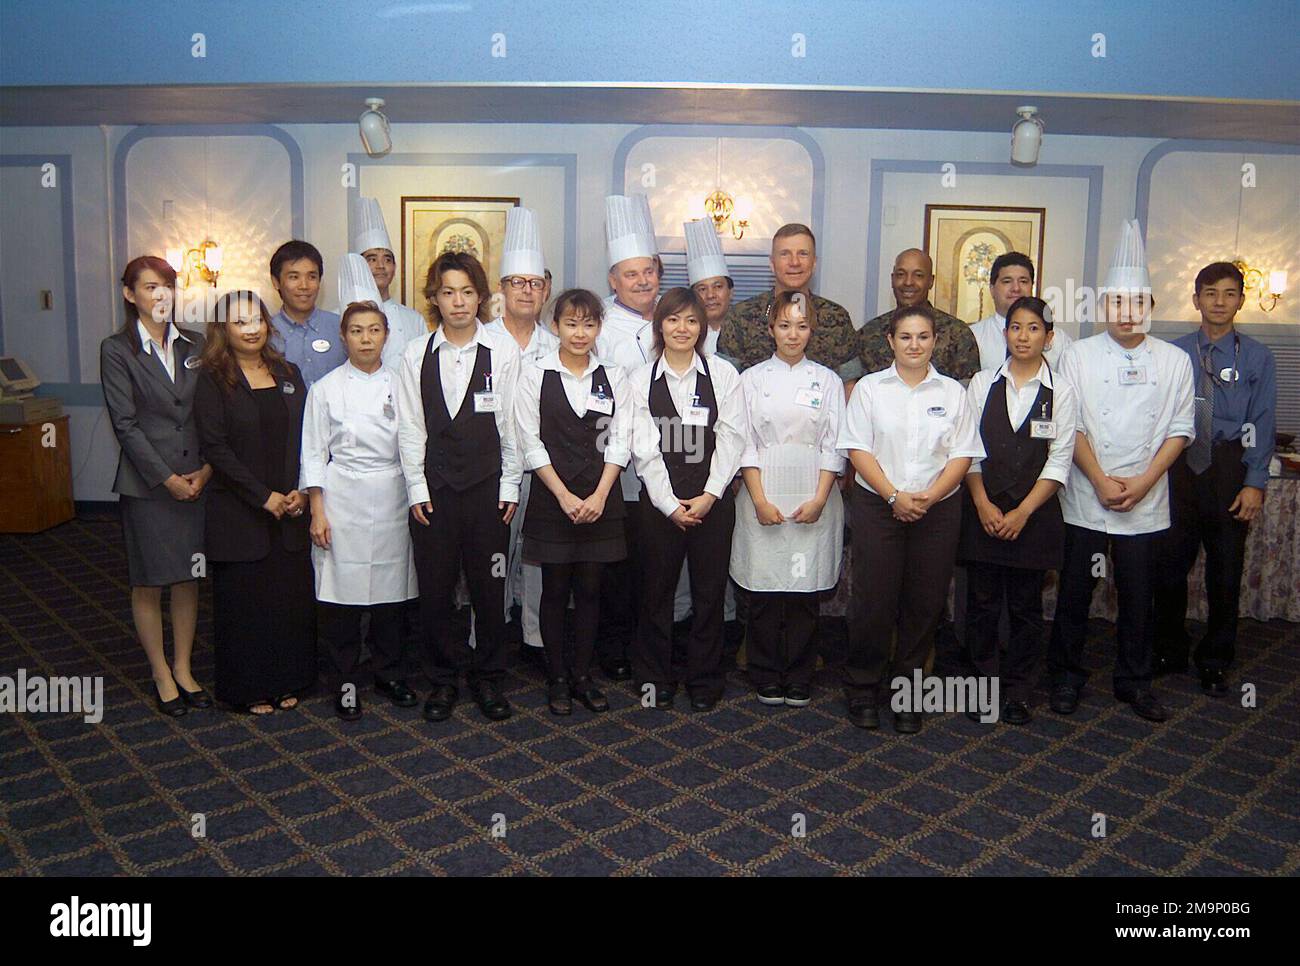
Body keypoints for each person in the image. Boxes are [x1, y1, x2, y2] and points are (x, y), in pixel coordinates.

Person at [1049, 219, 1194, 723]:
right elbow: (1071, 428)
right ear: (1102, 307)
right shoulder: (1079, 356)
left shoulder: (1175, 361)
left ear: (1150, 307)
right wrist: (1100, 480)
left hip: (1145, 499)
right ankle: (1065, 678)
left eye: (1136, 303)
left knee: (1138, 597)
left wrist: (1144, 481)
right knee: (1074, 593)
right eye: (1115, 302)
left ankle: (1134, 681)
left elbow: (1179, 428)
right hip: (1087, 497)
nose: (1126, 312)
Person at [837, 304, 983, 733]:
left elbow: (962, 454)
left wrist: (929, 497)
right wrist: (895, 496)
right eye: (905, 337)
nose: (914, 345)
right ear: (890, 342)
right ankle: (863, 689)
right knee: (873, 601)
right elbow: (857, 449)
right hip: (879, 506)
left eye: (922, 337)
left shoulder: (953, 393)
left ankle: (908, 695)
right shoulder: (869, 389)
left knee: (924, 604)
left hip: (937, 510)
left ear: (934, 341)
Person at [396, 251, 522, 723]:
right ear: (434, 298)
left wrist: (510, 485)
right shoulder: (415, 354)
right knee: (436, 589)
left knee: (490, 587)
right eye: (448, 292)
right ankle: (443, 679)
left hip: (489, 491)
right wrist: (416, 488)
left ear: (482, 298)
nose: (458, 301)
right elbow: (410, 427)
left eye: (467, 292)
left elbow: (514, 426)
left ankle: (489, 678)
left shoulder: (504, 352)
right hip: (436, 492)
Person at [1153, 261, 1276, 696]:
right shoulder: (1171, 352)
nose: (1219, 302)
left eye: (1228, 293)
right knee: (1168, 566)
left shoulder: (1258, 356)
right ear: (1195, 299)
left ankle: (1216, 658)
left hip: (1228, 466)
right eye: (1210, 293)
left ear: (1241, 300)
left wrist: (1255, 482)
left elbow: (1261, 421)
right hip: (1179, 464)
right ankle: (1169, 648)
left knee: (1225, 571)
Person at [100, 255, 213, 716]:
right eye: (150, 287)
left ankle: (184, 667)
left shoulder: (196, 342)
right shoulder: (116, 349)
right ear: (131, 295)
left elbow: (209, 410)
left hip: (196, 480)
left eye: (167, 286)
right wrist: (166, 479)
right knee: (149, 580)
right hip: (150, 484)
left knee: (188, 577)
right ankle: (160, 672)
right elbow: (125, 425)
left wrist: (205, 471)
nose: (160, 295)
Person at [194, 291, 316, 714]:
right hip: (239, 511)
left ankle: (288, 679)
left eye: (257, 320)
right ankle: (247, 688)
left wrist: (303, 488)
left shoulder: (288, 371)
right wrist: (262, 496)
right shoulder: (213, 378)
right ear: (223, 330)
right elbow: (216, 447)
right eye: (239, 322)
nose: (251, 329)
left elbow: (307, 436)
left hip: (291, 508)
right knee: (245, 607)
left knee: (287, 601)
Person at [959, 296, 1077, 725]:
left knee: (1027, 608)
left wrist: (1024, 512)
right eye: (1015, 327)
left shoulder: (1061, 391)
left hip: (1034, 516)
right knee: (982, 604)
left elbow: (1059, 460)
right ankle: (981, 687)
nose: (1023, 336)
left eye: (1033, 328)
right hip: (983, 511)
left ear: (1048, 337)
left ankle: (1020, 691)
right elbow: (968, 452)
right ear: (1004, 333)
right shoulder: (980, 383)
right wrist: (982, 503)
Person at [515, 289, 632, 714]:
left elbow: (621, 439)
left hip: (602, 497)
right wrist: (563, 494)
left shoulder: (615, 376)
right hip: (553, 499)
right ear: (555, 327)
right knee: (553, 590)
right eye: (571, 324)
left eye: (588, 324)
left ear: (599, 328)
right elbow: (529, 440)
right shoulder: (535, 374)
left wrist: (600, 494)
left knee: (590, 589)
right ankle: (557, 677)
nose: (579, 333)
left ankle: (583, 676)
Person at [629, 287, 747, 712]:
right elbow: (642, 447)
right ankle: (653, 679)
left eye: (691, 321)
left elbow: (732, 439)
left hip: (712, 504)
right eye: (674, 319)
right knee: (654, 593)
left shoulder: (723, 375)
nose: (683, 328)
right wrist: (669, 504)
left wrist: (710, 495)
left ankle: (704, 678)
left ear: (702, 328)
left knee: (709, 593)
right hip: (659, 506)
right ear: (660, 325)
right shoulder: (640, 380)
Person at [301, 301, 419, 721]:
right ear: (343, 336)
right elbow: (313, 454)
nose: (365, 339)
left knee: (392, 596)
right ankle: (345, 682)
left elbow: (415, 445)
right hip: (342, 496)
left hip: (393, 493)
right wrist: (317, 510)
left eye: (373, 330)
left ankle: (390, 675)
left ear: (386, 335)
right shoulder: (325, 388)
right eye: (356, 331)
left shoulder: (404, 383)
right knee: (341, 598)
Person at [731, 291, 845, 707]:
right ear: (770, 330)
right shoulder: (751, 380)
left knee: (804, 591)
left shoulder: (828, 381)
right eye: (784, 326)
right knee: (763, 591)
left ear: (811, 330)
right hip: (762, 495)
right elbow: (741, 442)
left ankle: (799, 673)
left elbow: (836, 445)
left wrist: (819, 498)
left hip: (815, 496)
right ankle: (763, 671)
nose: (792, 334)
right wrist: (759, 499)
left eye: (801, 326)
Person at [484, 206, 559, 668]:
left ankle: (533, 637)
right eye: (518, 283)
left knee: (535, 559)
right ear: (502, 288)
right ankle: (484, 636)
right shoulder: (480, 342)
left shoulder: (558, 345)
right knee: (489, 558)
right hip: (488, 470)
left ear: (546, 289)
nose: (528, 291)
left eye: (535, 283)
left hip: (544, 471)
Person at [593, 194, 660, 681]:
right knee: (616, 563)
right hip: (614, 463)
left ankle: (652, 648)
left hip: (670, 459)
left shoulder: (675, 316)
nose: (642, 281)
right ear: (613, 279)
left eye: (649, 271)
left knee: (655, 562)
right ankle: (613, 647)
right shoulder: (597, 325)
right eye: (630, 274)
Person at [716, 224, 858, 381]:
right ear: (772, 263)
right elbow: (723, 381)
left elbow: (848, 383)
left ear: (814, 262)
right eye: (785, 254)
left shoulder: (836, 317)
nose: (795, 262)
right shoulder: (740, 317)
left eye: (803, 254)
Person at [846, 248, 981, 383]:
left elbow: (968, 393)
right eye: (901, 274)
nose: (908, 282)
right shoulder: (869, 333)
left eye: (918, 275)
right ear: (892, 279)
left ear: (931, 281)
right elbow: (853, 387)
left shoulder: (957, 333)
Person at [354, 196, 430, 365]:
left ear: (395, 268)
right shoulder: (340, 315)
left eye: (387, 259)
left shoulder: (413, 319)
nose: (381, 266)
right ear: (359, 266)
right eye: (372, 259)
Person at [969, 252, 1073, 372]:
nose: (1016, 288)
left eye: (1023, 281)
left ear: (1032, 287)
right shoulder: (974, 336)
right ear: (992, 289)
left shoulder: (1058, 340)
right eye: (1007, 281)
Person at [268, 240, 344, 386]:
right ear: (276, 282)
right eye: (294, 277)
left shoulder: (341, 327)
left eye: (312, 277)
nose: (304, 286)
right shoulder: (266, 333)